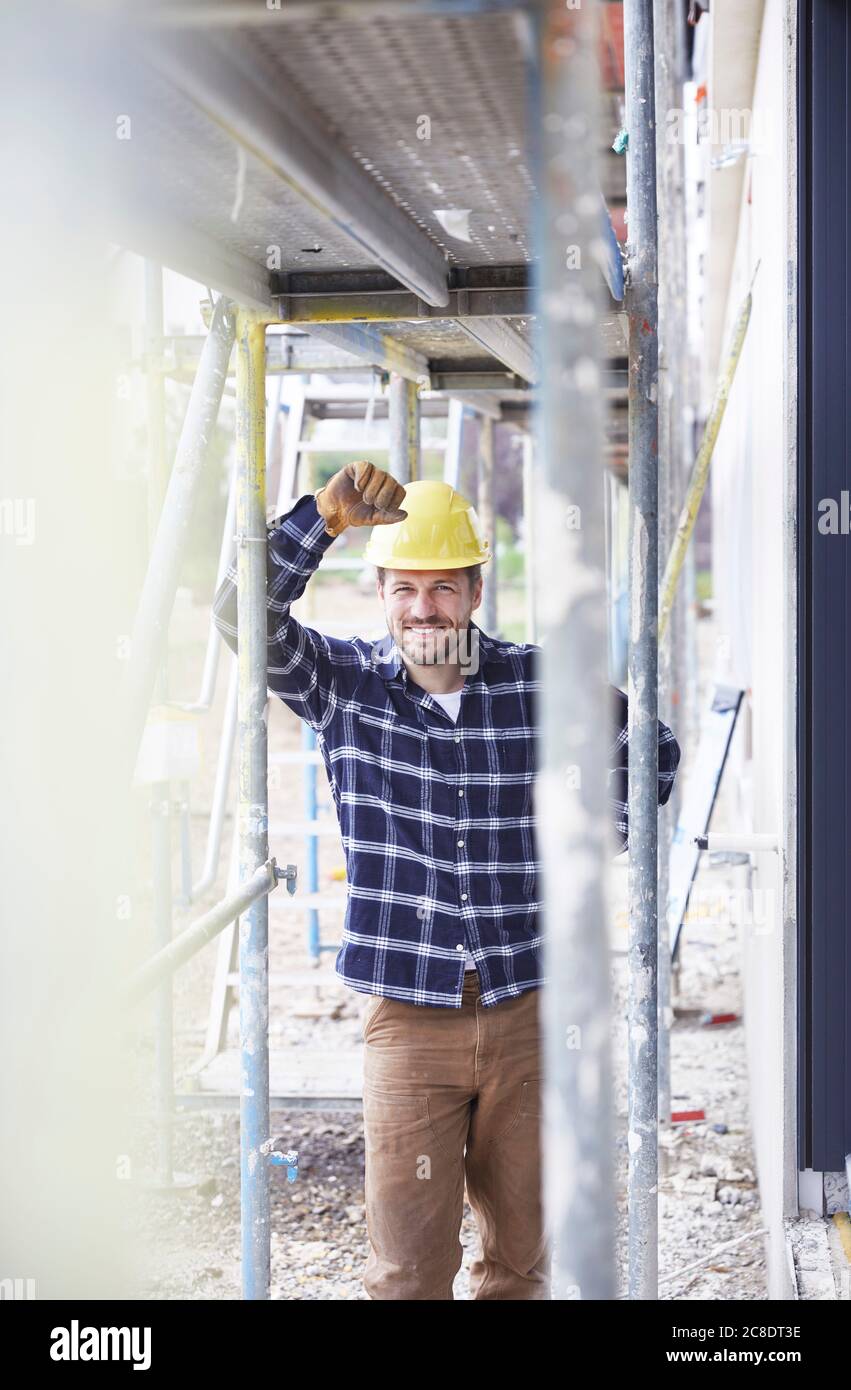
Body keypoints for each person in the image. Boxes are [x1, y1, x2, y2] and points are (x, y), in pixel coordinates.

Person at [213, 459, 681, 1300]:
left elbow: (654, 758)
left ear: (472, 593)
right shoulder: (344, 688)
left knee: (519, 1262)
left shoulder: (540, 682)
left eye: (442, 588)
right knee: (404, 1269)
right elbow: (242, 618)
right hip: (408, 1024)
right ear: (382, 592)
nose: (423, 608)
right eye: (403, 588)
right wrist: (319, 519)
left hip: (531, 1014)